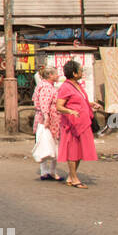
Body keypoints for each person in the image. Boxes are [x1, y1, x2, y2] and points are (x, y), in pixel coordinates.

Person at [55, 59, 101, 188]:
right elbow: (59, 106)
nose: (82, 72)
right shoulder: (65, 87)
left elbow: (80, 101)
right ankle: (74, 178)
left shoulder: (77, 85)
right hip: (72, 125)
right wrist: (70, 111)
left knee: (80, 151)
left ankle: (71, 176)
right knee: (73, 151)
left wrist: (91, 104)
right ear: (74, 73)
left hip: (83, 123)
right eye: (80, 70)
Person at [32, 66, 65, 182]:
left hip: (48, 118)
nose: (58, 76)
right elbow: (44, 104)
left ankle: (45, 171)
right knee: (51, 144)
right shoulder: (46, 87)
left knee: (47, 143)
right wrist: (46, 118)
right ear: (50, 75)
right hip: (49, 120)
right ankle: (50, 171)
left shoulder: (44, 85)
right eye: (56, 74)